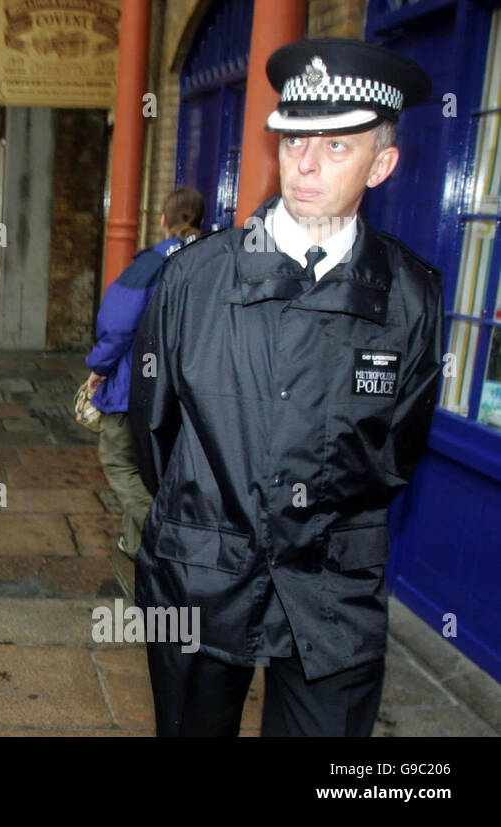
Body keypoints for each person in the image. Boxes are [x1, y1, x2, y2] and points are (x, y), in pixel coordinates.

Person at [130, 39, 443, 737]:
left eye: (337, 145)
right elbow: (155, 433)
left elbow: (396, 453)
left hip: (332, 586)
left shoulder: (411, 295)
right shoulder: (196, 277)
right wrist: (213, 514)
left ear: (383, 163)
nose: (305, 163)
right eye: (295, 136)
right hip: (201, 572)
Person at [85, 187, 204, 559]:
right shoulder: (213, 260)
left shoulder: (151, 263)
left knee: (119, 462)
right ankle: (135, 544)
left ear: (164, 220)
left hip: (134, 388)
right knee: (153, 467)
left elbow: (117, 323)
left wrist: (99, 368)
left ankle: (165, 539)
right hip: (185, 390)